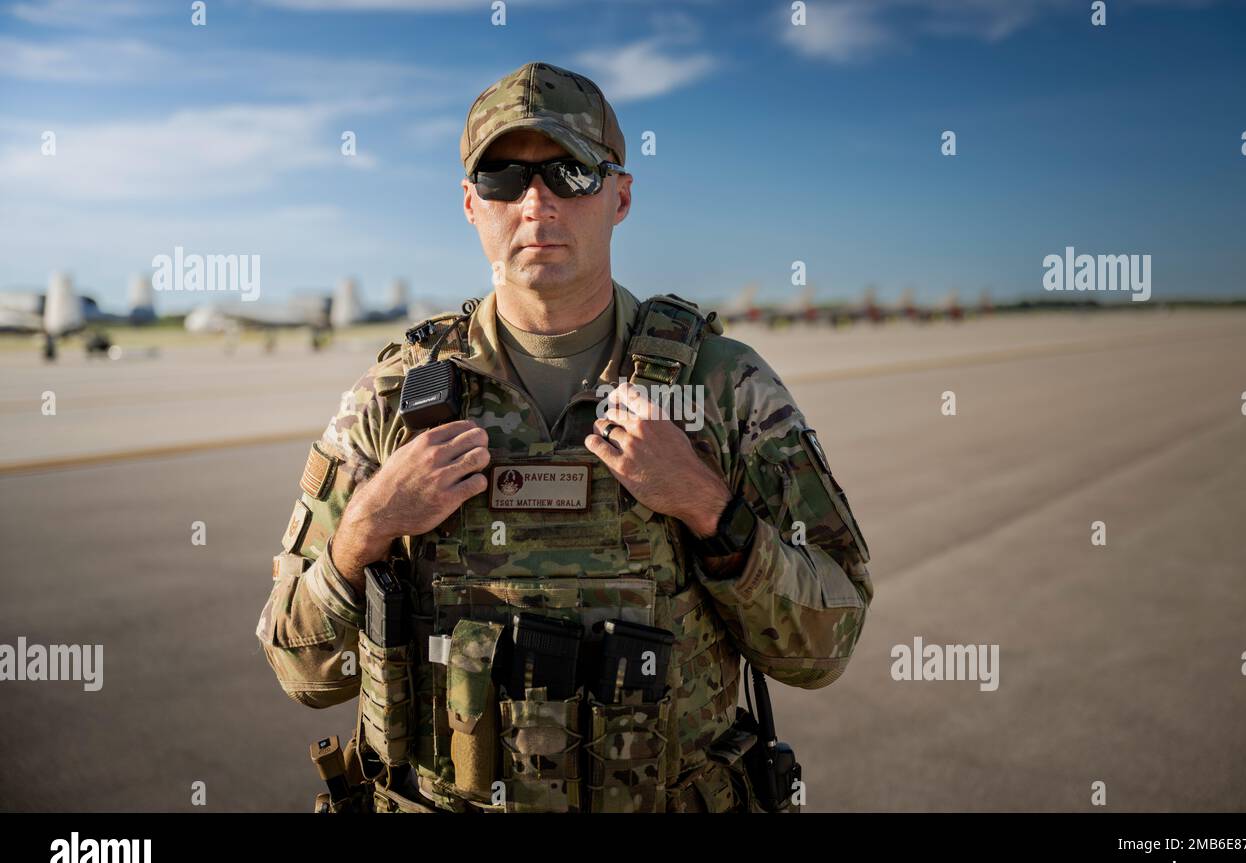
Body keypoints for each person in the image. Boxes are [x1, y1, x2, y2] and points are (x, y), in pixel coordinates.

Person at [256, 61, 873, 813]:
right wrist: (364, 531)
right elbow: (303, 674)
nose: (536, 204)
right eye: (503, 178)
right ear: (469, 203)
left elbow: (825, 648)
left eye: (570, 172)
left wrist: (711, 510)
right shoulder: (393, 400)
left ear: (620, 196)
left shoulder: (721, 386)